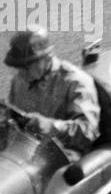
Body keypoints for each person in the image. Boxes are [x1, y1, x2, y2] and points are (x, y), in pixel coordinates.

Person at [4, 27, 100, 157]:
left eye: (26, 67)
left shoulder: (75, 82)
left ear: (47, 58)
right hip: (25, 151)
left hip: (62, 158)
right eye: (18, 67)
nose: (21, 74)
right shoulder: (19, 81)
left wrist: (50, 126)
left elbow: (88, 132)